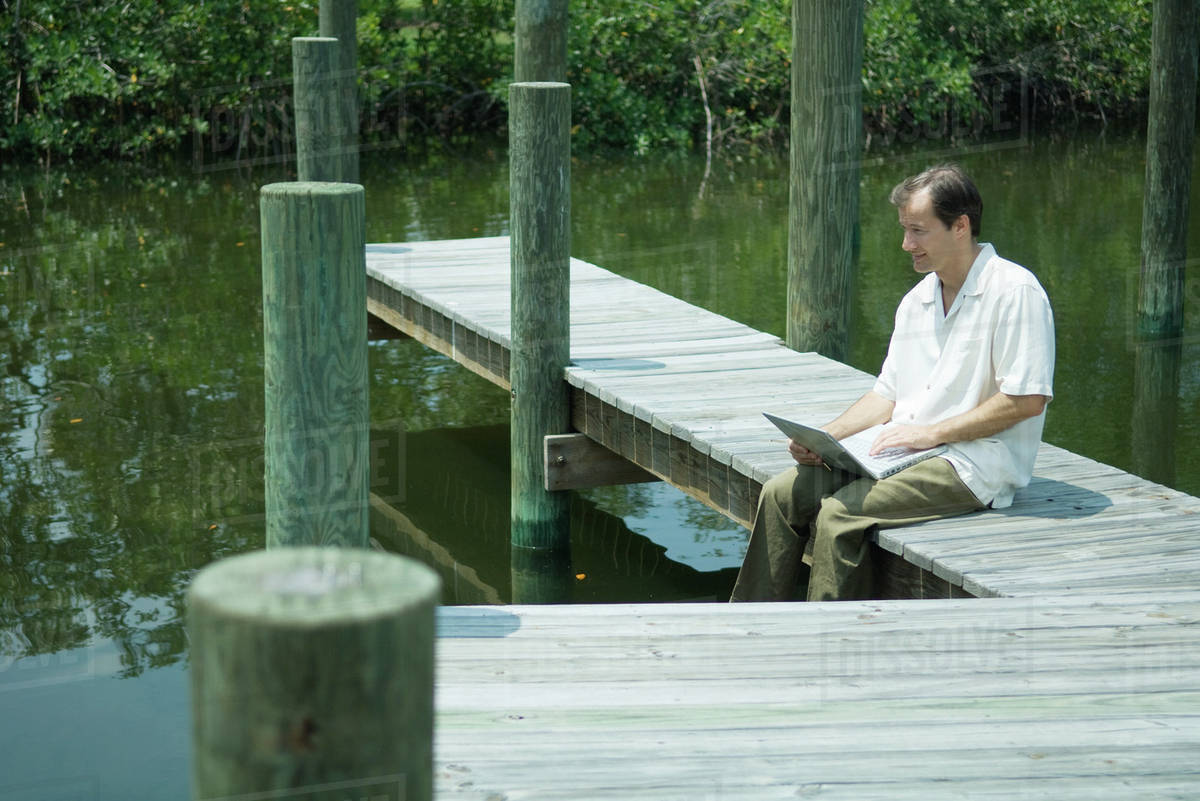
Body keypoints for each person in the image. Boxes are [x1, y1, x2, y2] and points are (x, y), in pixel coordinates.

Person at [730, 163, 1055, 602]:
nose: (906, 244)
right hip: (902, 451)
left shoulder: (1015, 292)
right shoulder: (917, 299)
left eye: (918, 231)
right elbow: (887, 394)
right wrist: (826, 438)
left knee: (839, 514)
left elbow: (1026, 400)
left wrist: (930, 434)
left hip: (973, 462)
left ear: (960, 226)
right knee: (780, 493)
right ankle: (750, 621)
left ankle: (829, 635)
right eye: (905, 230)